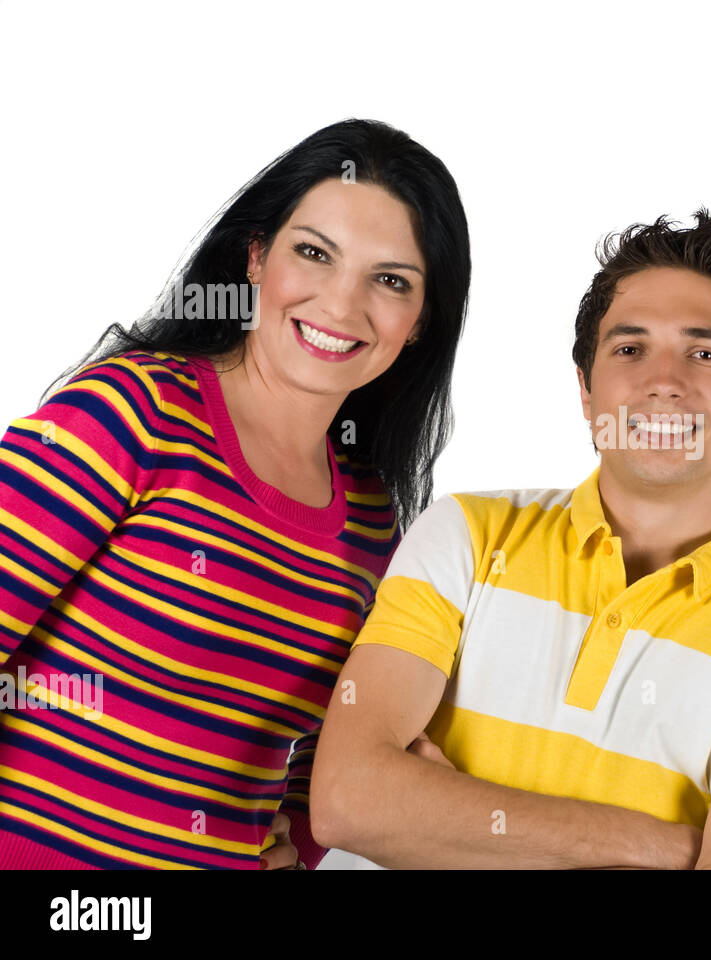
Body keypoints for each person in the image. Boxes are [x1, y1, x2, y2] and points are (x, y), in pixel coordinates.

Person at [0, 119, 471, 869]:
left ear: (419, 324)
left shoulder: (373, 524)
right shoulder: (132, 415)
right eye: (314, 253)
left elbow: (310, 788)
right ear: (255, 258)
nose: (342, 306)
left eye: (390, 280)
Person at [311, 210, 711, 869]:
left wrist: (443, 812)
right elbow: (345, 798)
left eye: (704, 353)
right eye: (629, 349)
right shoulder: (469, 534)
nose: (664, 382)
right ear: (587, 392)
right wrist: (665, 848)